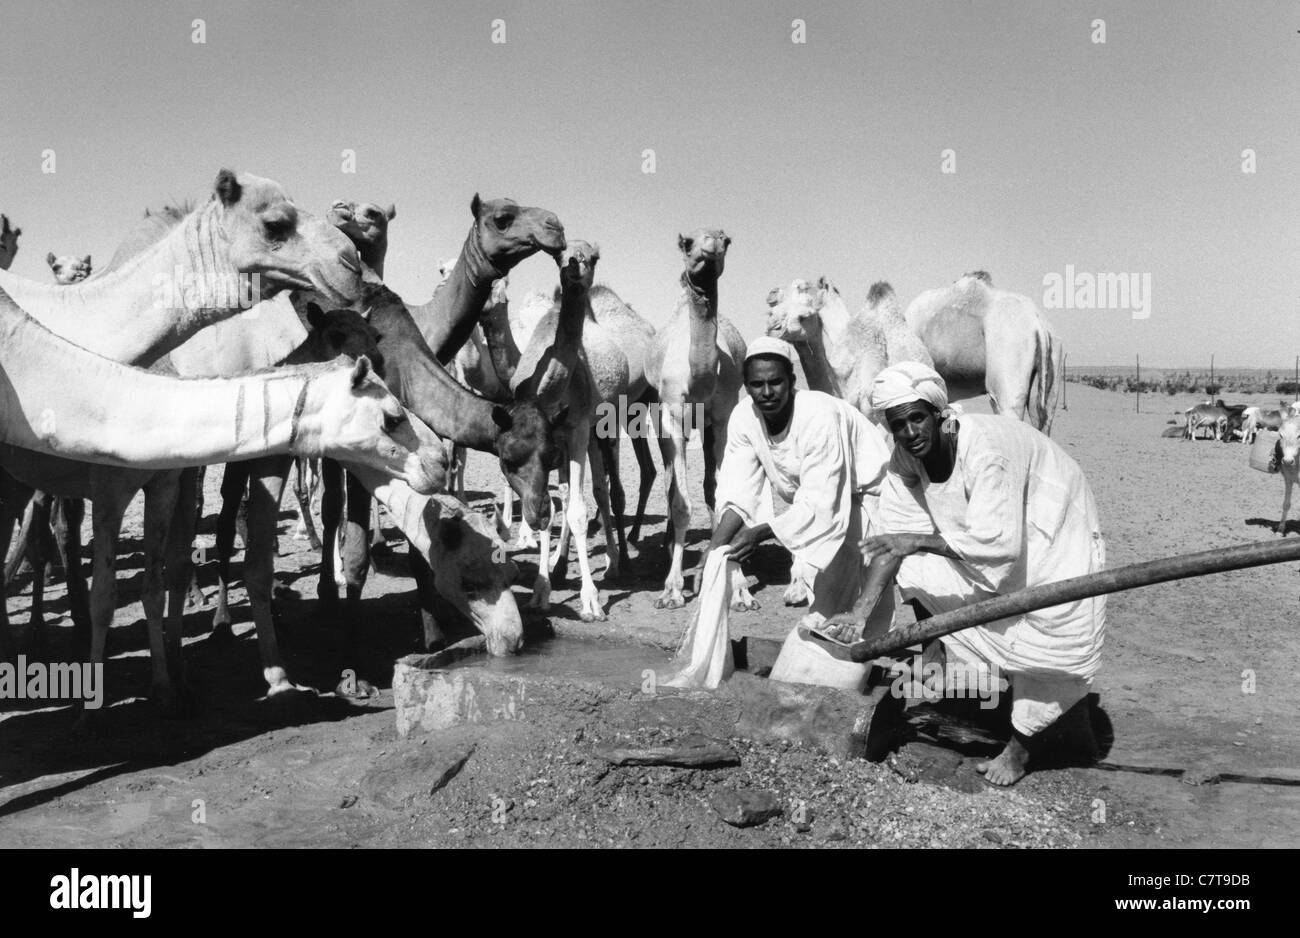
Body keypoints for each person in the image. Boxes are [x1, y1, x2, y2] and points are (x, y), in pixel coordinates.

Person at [829, 360, 1106, 785]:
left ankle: (1018, 752)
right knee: (920, 569)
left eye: (917, 419)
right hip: (998, 528)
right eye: (898, 424)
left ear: (940, 414)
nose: (909, 433)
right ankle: (935, 654)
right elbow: (894, 538)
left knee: (1051, 625)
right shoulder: (905, 455)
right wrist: (859, 611)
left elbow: (999, 546)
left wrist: (918, 540)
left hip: (1053, 517)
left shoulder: (984, 451)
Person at [709, 337, 894, 660]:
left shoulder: (818, 414)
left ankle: (863, 672)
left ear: (792, 381)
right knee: (825, 607)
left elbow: (820, 501)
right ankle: (829, 672)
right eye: (757, 385)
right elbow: (738, 489)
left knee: (864, 603)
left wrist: (762, 533)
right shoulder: (744, 417)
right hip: (828, 507)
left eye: (775, 382)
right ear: (746, 386)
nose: (767, 392)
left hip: (868, 499)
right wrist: (714, 551)